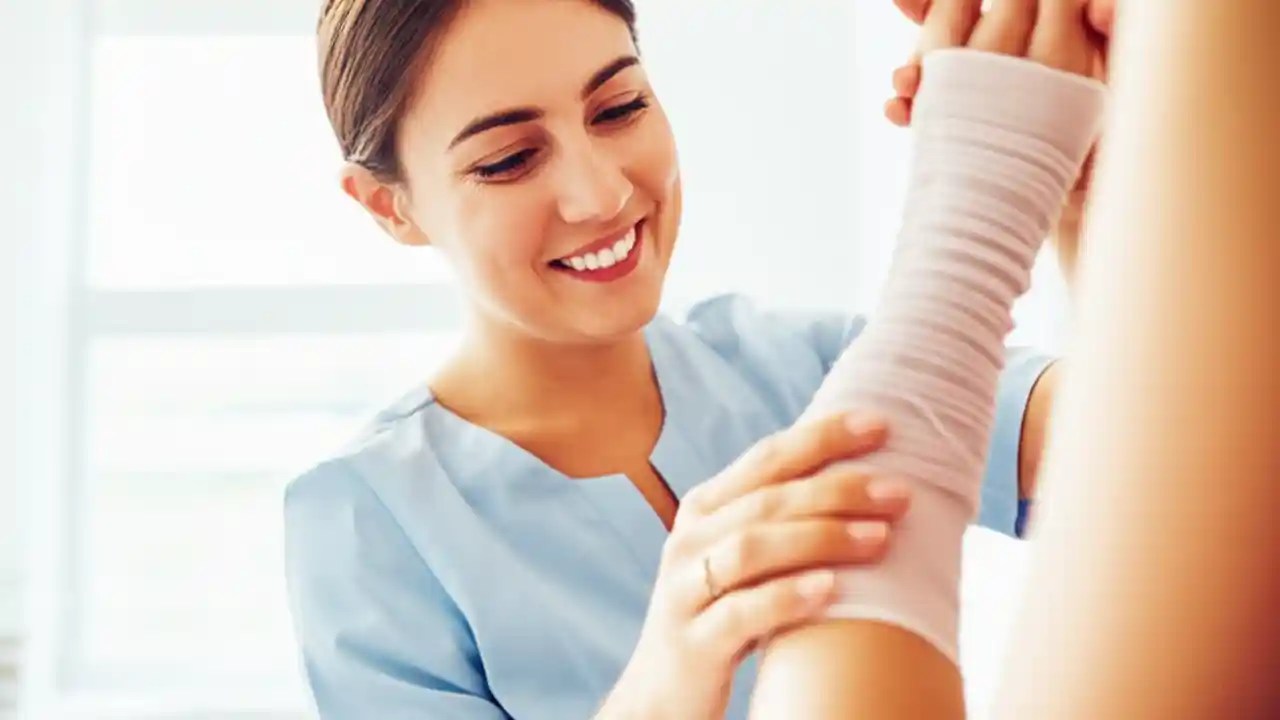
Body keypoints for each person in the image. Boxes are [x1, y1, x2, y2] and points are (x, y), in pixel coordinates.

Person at [283, 1, 1065, 718]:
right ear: (391, 205)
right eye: (508, 160)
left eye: (619, 108)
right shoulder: (368, 521)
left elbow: (1155, 457)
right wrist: (671, 675)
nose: (599, 196)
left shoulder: (798, 368)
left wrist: (1086, 172)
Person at [754, 1, 1280, 718]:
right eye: (534, 156)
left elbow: (1182, 462)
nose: (599, 195)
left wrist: (1044, 202)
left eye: (619, 108)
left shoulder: (781, 357)